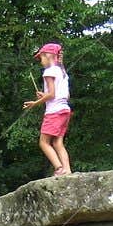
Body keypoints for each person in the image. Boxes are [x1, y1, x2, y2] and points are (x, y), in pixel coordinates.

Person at [23, 42, 72, 176]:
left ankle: (59, 168)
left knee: (44, 142)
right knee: (57, 142)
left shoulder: (49, 72)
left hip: (54, 112)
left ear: (48, 55)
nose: (41, 61)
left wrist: (35, 103)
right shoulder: (62, 73)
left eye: (41, 58)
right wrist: (44, 96)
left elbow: (52, 94)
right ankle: (67, 170)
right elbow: (65, 96)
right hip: (65, 110)